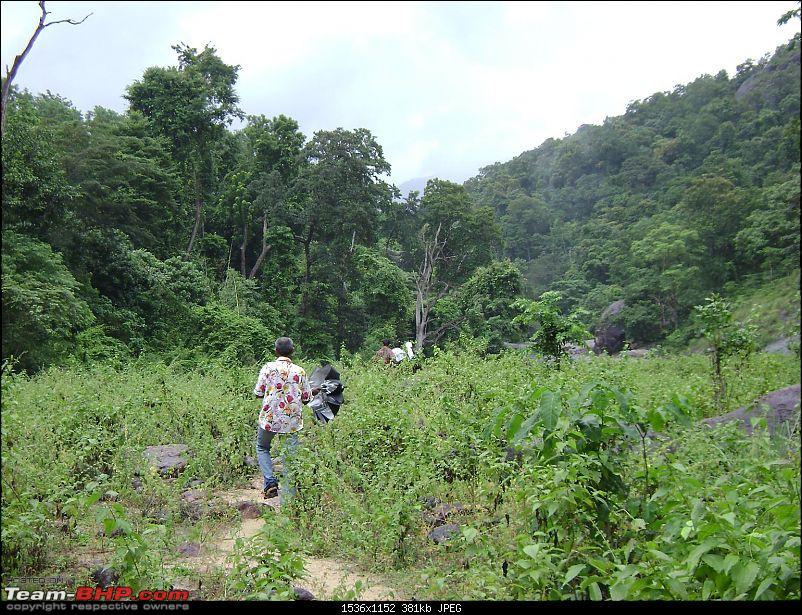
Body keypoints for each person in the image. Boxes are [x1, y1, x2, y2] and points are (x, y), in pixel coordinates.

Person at [253, 337, 317, 500]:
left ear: (276, 351)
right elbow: (307, 399)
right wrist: (312, 391)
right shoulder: (300, 371)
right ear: (293, 351)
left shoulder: (267, 368)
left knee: (262, 447)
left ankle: (270, 482)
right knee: (289, 457)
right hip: (292, 421)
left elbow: (258, 393)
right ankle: (288, 499)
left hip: (270, 417)